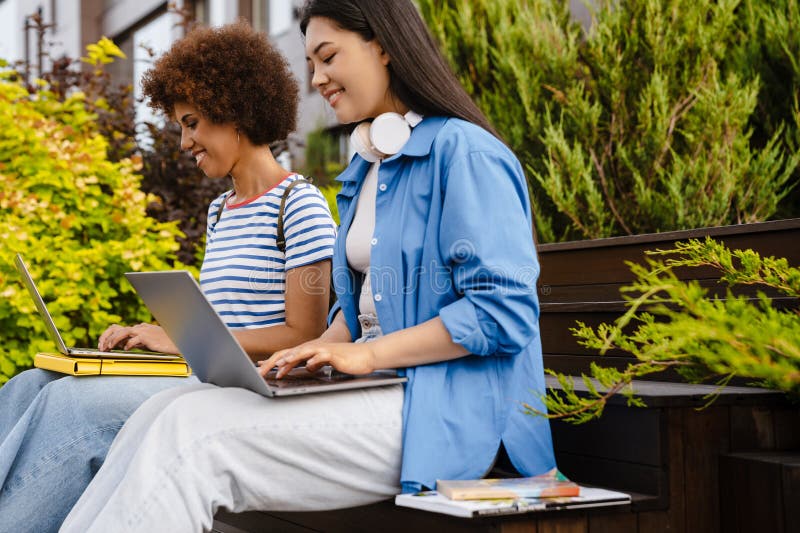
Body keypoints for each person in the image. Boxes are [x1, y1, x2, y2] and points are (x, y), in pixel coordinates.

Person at [61, 1, 556, 530]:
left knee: (193, 437)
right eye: (310, 63)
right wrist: (317, 348)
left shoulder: (468, 154)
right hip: (377, 392)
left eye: (328, 57)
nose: (316, 78)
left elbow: (501, 313)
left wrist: (366, 357)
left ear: (384, 47)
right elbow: (358, 302)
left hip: (444, 410)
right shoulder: (369, 167)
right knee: (160, 415)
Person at [0, 22, 335, 533]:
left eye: (192, 123)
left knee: (74, 408)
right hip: (202, 375)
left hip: (247, 393)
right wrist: (158, 339)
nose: (184, 142)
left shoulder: (300, 205)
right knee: (32, 384)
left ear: (235, 109)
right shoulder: (222, 210)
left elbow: (305, 336)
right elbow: (218, 323)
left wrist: (180, 340)